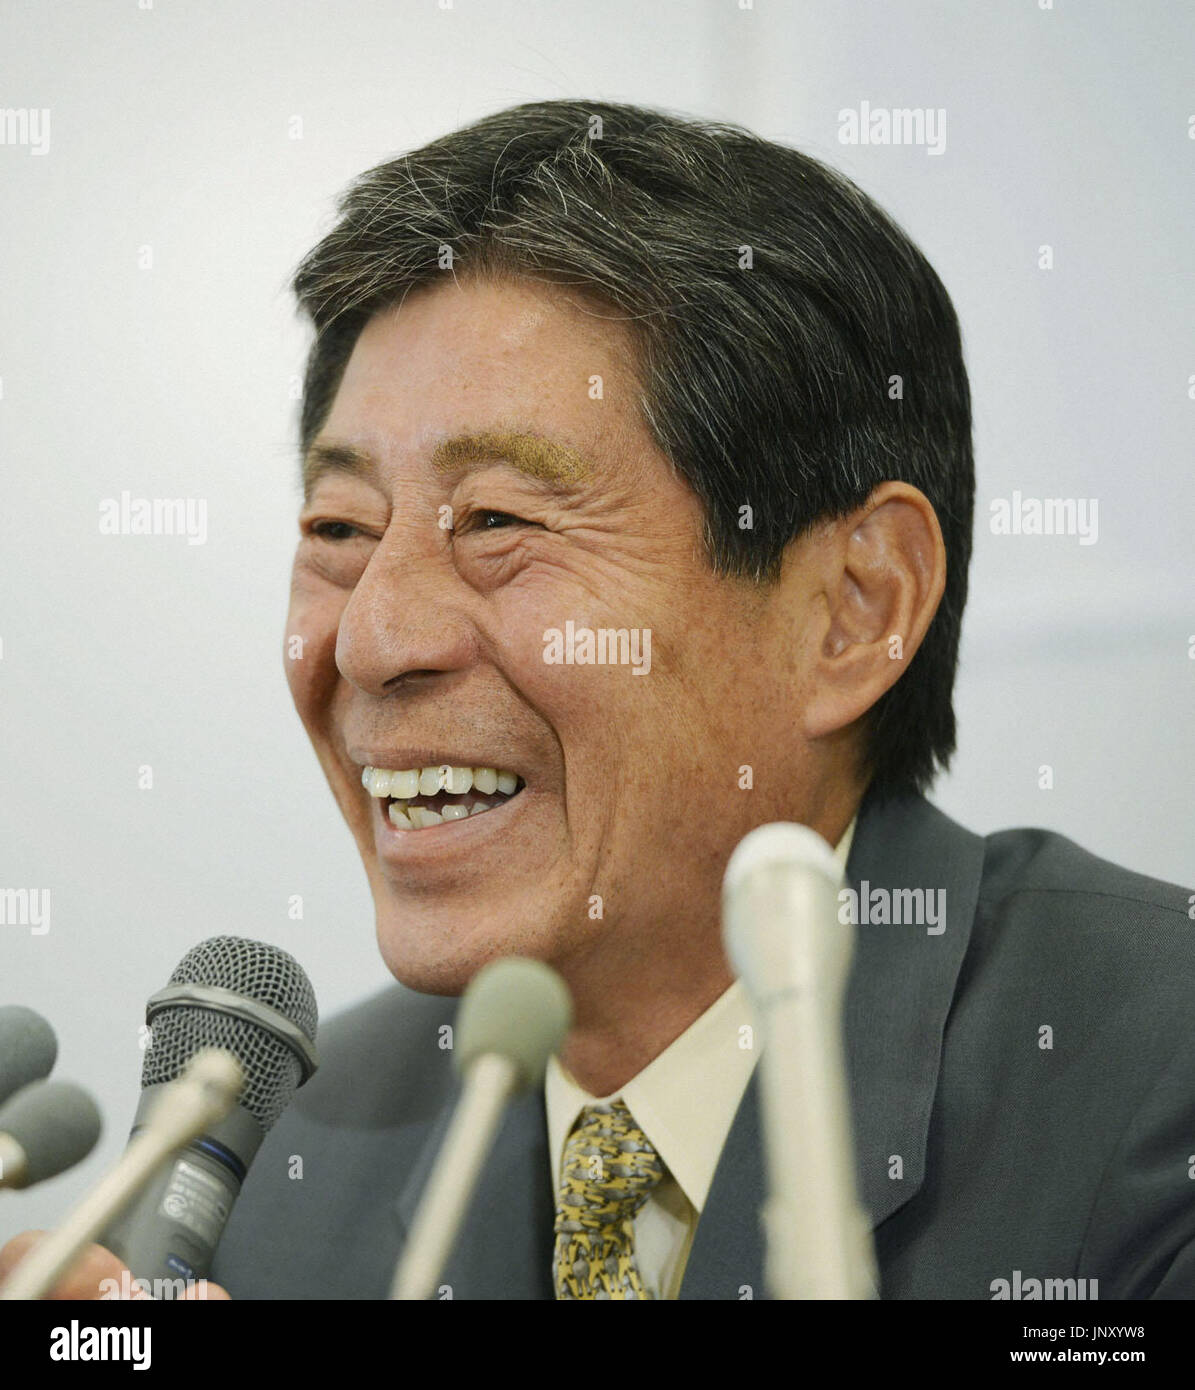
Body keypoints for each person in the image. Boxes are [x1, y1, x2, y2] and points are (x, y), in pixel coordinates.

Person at [5, 99, 1191, 1301]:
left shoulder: (1156, 1071)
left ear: (853, 607)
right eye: (340, 529)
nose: (372, 637)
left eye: (502, 522)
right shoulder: (304, 1149)